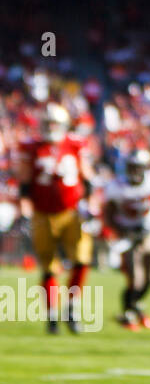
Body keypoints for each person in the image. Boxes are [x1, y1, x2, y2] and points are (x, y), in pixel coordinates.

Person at [15, 103, 95, 333]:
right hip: (42, 213)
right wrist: (25, 209)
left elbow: (86, 175)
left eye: (54, 123)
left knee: (82, 260)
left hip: (71, 212)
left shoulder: (75, 143)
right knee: (49, 267)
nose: (51, 127)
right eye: (47, 123)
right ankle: (51, 316)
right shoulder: (31, 146)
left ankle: (71, 307)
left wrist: (90, 205)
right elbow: (24, 181)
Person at [104, 148, 150, 330]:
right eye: (132, 167)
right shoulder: (117, 186)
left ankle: (133, 308)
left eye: (138, 167)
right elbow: (108, 213)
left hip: (149, 233)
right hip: (129, 234)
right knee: (135, 278)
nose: (135, 171)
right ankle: (129, 312)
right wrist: (120, 231)